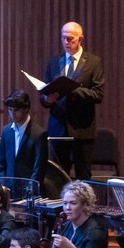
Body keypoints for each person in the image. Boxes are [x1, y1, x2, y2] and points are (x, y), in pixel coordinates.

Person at [44, 22, 106, 182]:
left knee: (83, 177)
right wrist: (46, 99)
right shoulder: (53, 62)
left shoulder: (93, 62)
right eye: (63, 38)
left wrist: (73, 88)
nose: (66, 42)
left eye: (70, 39)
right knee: (58, 177)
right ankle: (60, 207)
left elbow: (98, 94)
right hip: (58, 128)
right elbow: (44, 93)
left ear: (80, 39)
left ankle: (84, 208)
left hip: (82, 129)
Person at [0, 92, 45, 190]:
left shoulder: (39, 133)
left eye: (16, 110)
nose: (12, 114)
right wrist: (3, 185)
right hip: (8, 188)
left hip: (29, 190)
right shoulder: (6, 131)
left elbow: (39, 168)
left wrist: (30, 189)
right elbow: (1, 163)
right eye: (10, 110)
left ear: (26, 109)